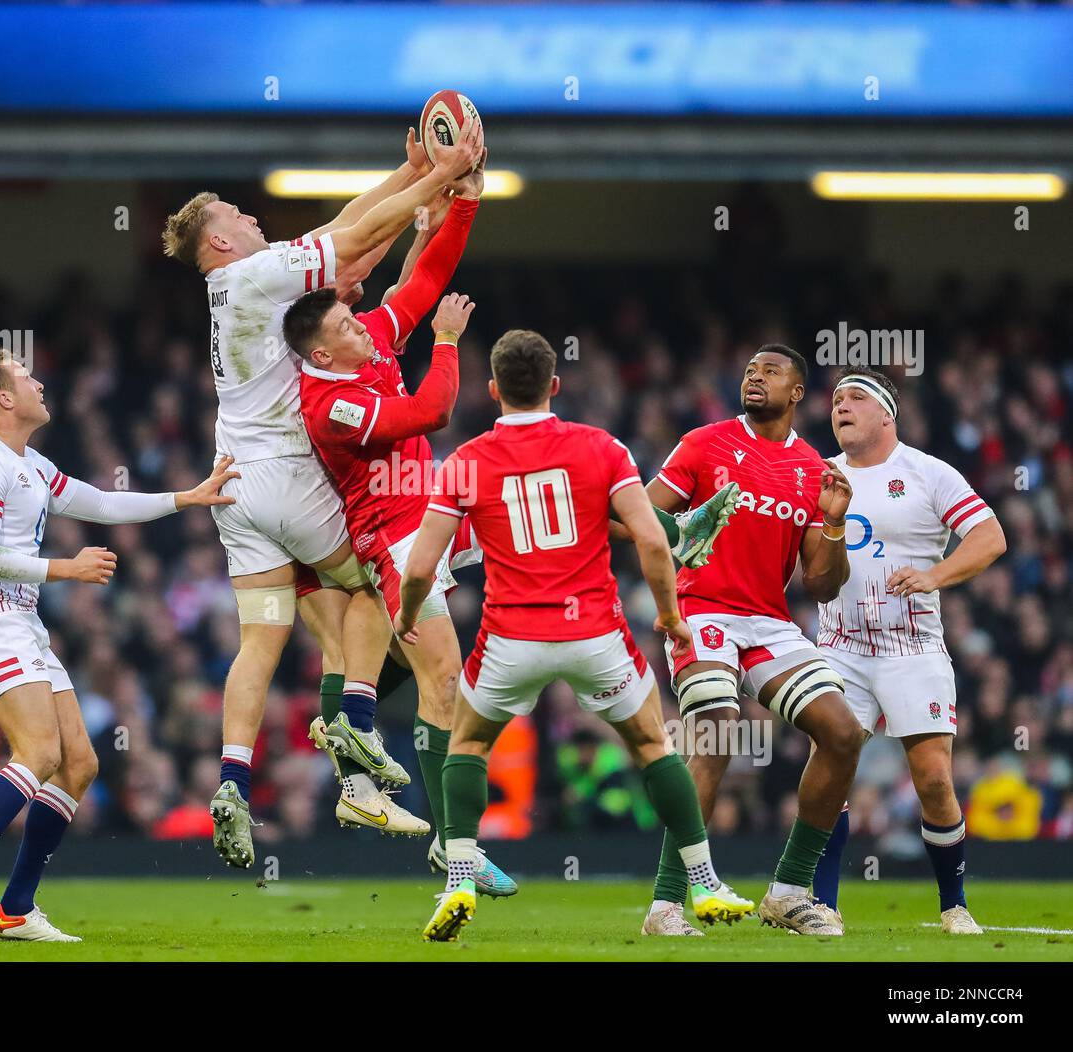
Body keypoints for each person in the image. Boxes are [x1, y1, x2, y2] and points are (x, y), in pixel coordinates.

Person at [160, 121, 483, 867]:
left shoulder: (240, 288)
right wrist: (445, 174)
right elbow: (357, 235)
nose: (251, 218)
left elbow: (349, 230)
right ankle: (355, 751)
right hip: (287, 477)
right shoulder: (254, 275)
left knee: (264, 638)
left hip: (233, 488)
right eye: (236, 217)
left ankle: (234, 780)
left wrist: (409, 175)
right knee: (378, 582)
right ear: (219, 244)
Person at [394, 329, 754, 942]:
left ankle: (458, 876)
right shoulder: (602, 447)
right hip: (595, 633)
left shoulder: (465, 463)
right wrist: (669, 617)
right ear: (555, 385)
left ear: (492, 390)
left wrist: (405, 618)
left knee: (468, 747)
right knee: (651, 747)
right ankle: (703, 881)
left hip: (510, 638)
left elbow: (421, 567)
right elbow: (651, 539)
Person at [0, 351, 237, 942]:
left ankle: (15, 908)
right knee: (37, 752)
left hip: (22, 623)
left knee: (80, 763)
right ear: (4, 400)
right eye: (25, 378)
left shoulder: (29, 464)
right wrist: (65, 568)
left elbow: (103, 503)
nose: (40, 382)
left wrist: (185, 498)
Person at [643, 344, 863, 936]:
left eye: (771, 371)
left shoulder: (814, 469)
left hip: (768, 620)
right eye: (749, 370)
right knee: (715, 727)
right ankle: (666, 905)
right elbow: (631, 514)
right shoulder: (703, 443)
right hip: (703, 608)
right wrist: (681, 526)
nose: (755, 377)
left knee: (843, 733)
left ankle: (788, 892)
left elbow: (822, 585)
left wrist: (836, 522)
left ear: (797, 393)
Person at [810, 365, 1006, 935]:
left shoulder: (928, 472)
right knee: (830, 774)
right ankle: (823, 903)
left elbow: (991, 537)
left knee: (935, 780)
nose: (839, 407)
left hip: (911, 646)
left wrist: (935, 575)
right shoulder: (819, 474)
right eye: (835, 400)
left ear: (885, 413)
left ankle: (954, 905)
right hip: (840, 644)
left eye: (853, 399)